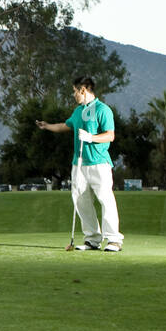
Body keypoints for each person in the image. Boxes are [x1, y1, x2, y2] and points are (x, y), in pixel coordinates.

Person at [35, 76, 124, 251]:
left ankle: (114, 240)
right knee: (81, 200)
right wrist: (47, 126)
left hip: (99, 163)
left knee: (105, 199)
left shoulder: (103, 110)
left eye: (74, 91)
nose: (73, 94)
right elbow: (64, 126)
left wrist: (90, 137)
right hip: (79, 164)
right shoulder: (78, 111)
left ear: (83, 89)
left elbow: (110, 135)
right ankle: (92, 240)